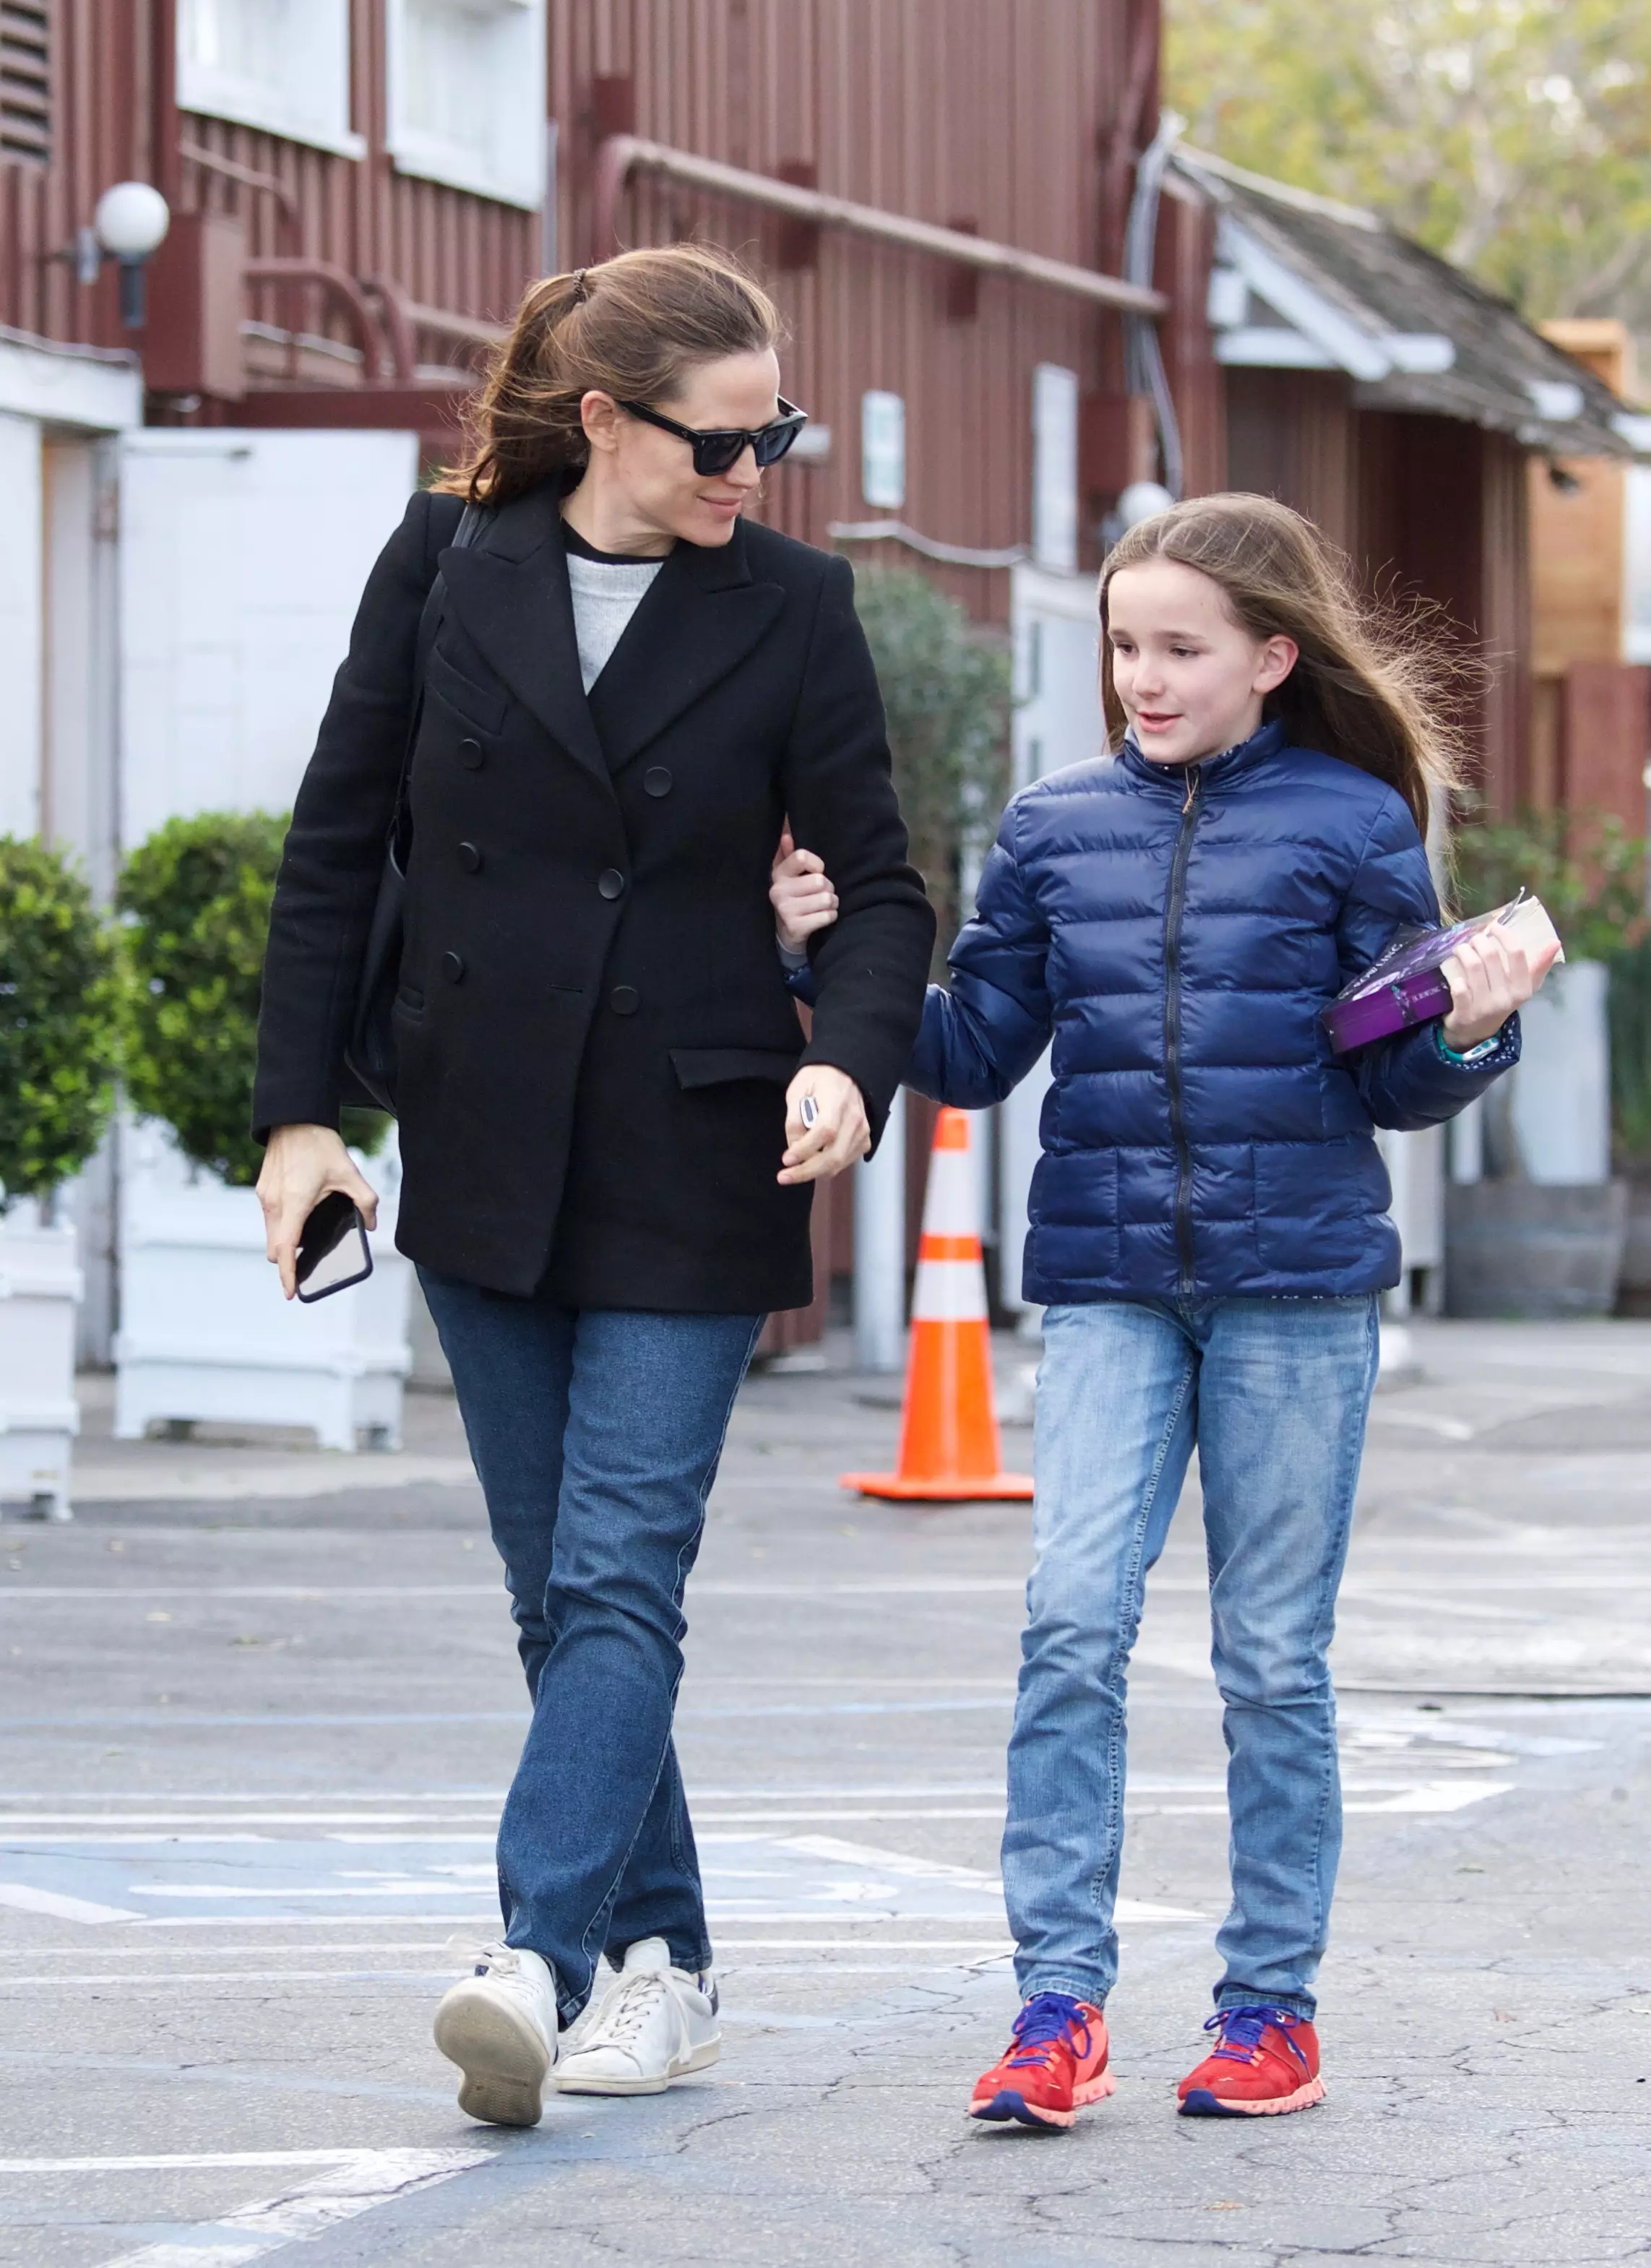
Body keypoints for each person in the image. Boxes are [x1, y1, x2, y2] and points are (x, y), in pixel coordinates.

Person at [770, 492, 1557, 2130]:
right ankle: (1054, 2007)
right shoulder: (1055, 830)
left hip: (1298, 1291)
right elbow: (976, 1048)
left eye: (1178, 649)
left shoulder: (1352, 824)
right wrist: (826, 959)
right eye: (1124, 644)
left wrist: (1472, 1030)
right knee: (1068, 1625)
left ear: (1271, 657)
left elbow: (1395, 1076)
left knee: (1272, 1659)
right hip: (1113, 1285)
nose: (1141, 674)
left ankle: (1268, 2011)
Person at [253, 243, 934, 2128]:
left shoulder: (790, 602)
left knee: (620, 1571)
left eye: (774, 435)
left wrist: (846, 1064)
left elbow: (878, 887)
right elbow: (335, 838)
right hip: (479, 1143)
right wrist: (295, 1114)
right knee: (562, 1600)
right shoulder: (444, 561)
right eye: (727, 442)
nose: (755, 475)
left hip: (698, 1145)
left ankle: (535, 1958)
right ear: (609, 420)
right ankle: (671, 1961)